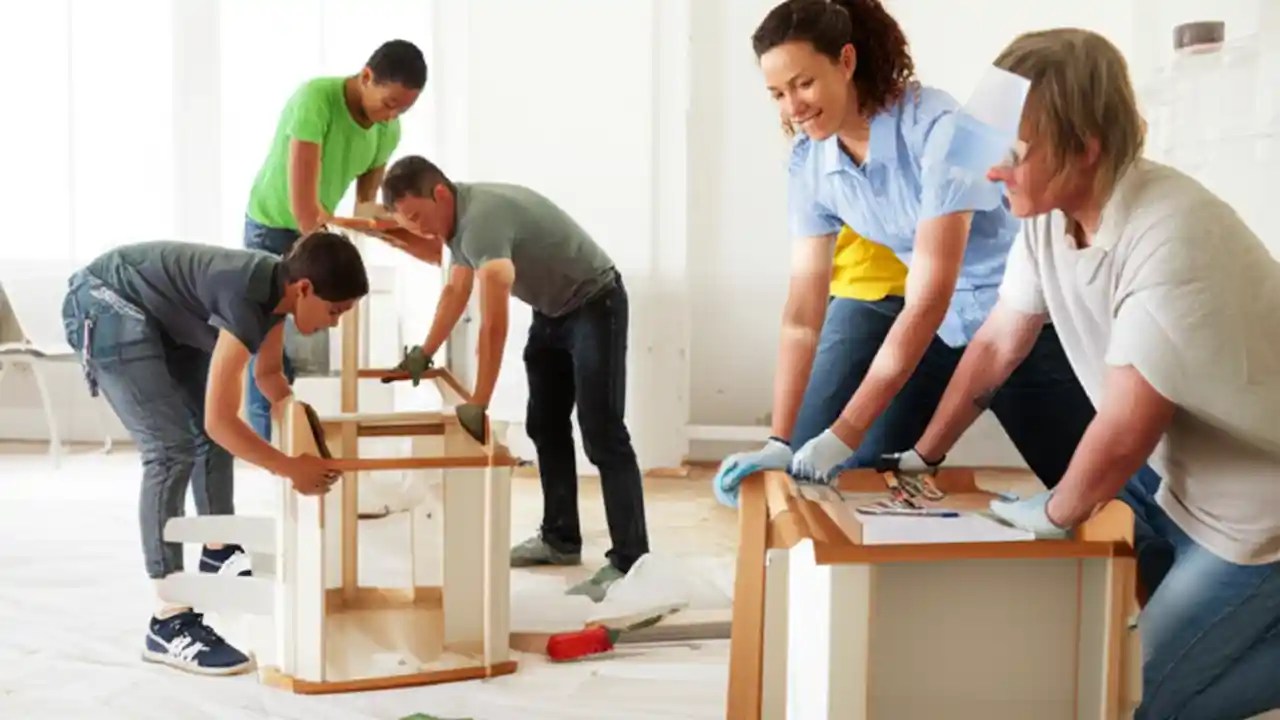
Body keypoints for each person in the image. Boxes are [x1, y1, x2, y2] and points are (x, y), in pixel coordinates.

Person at [902, 28, 1280, 719]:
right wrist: (922, 457)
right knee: (1102, 651)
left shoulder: (1173, 232)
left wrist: (1055, 512)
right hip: (1174, 476)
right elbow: (997, 345)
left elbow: (1129, 422)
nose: (994, 171)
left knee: (1136, 702)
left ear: (1085, 148)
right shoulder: (1048, 219)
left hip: (1257, 507)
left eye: (1015, 153)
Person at [713, 0, 1094, 503]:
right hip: (944, 329)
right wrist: (780, 441)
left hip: (1020, 321)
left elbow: (929, 296)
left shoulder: (939, 129)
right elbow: (803, 316)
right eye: (778, 94)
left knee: (1095, 492)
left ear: (846, 61)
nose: (792, 107)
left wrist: (843, 431)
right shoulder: (810, 163)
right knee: (866, 471)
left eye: (803, 84)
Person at [61, 233, 367, 675]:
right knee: (171, 450)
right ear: (304, 289)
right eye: (335, 311)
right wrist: (288, 468)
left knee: (206, 437)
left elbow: (269, 375)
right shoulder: (246, 297)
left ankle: (217, 551)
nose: (334, 324)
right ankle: (168, 621)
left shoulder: (276, 294)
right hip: (104, 300)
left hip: (158, 315)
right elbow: (220, 421)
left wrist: (306, 429)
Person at [378, 155, 648, 602]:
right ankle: (560, 538)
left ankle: (630, 561)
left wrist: (479, 401)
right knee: (544, 424)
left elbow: (492, 325)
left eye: (418, 217)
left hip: (596, 302)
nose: (419, 230)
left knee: (602, 431)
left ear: (439, 194)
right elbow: (456, 290)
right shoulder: (456, 226)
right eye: (408, 222)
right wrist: (423, 353)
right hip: (553, 310)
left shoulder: (482, 221)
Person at [241, 38, 427, 441]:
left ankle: (291, 446)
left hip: (315, 230)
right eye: (389, 103)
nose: (391, 116)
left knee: (293, 348)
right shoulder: (316, 100)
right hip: (273, 226)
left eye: (402, 110)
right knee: (269, 346)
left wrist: (409, 227)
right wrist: (336, 258)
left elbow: (366, 207)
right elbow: (304, 209)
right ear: (366, 76)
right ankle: (269, 450)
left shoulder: (387, 129)